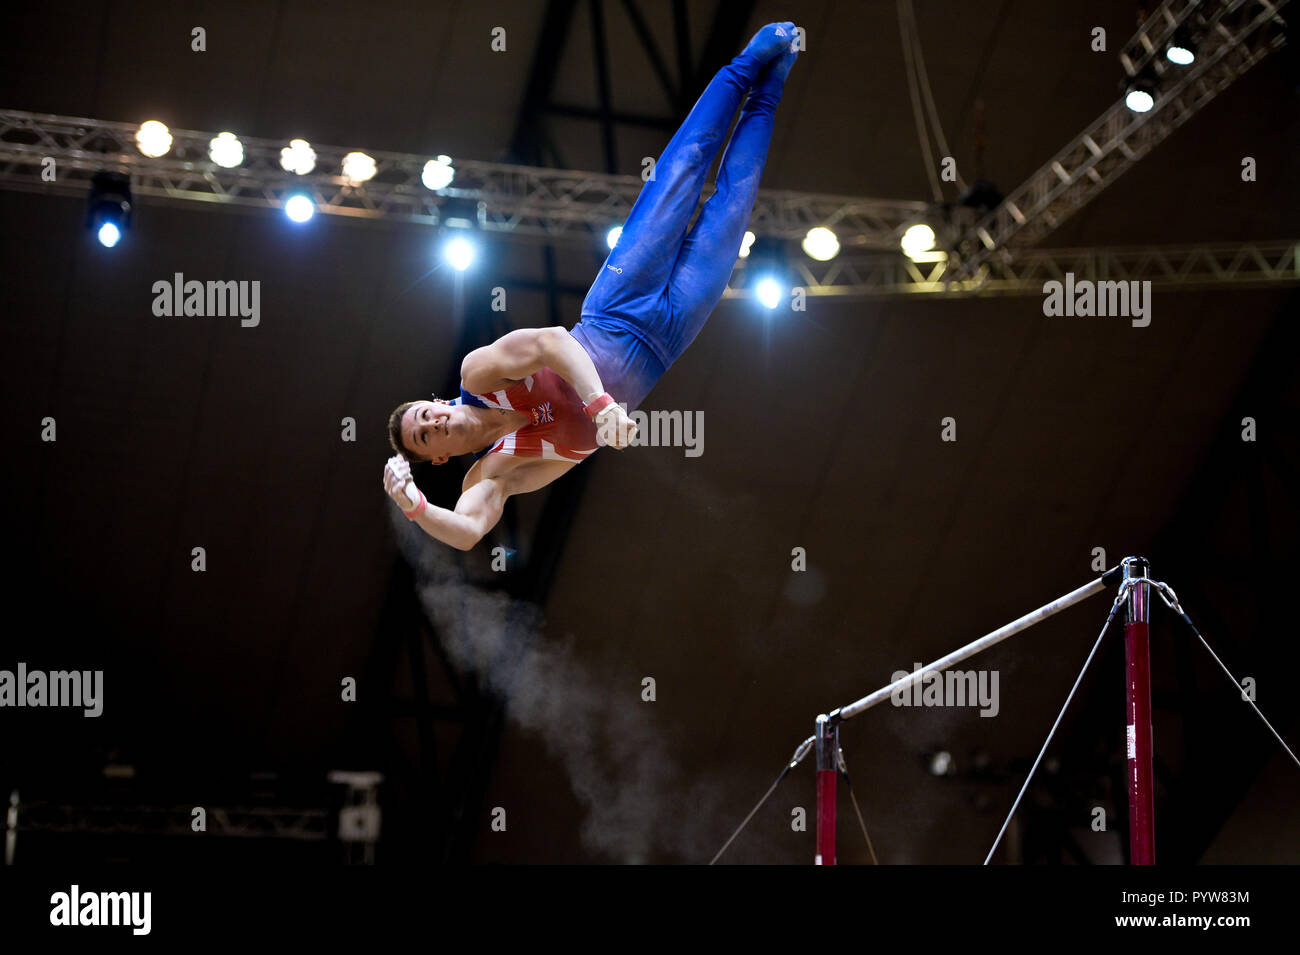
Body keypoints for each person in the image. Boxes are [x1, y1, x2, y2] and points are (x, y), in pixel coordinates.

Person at [383, 21, 800, 550]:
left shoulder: (479, 373)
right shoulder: (492, 474)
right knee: (732, 210)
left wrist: (600, 405)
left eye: (425, 414)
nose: (433, 424)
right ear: (436, 457)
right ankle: (772, 88)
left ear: (435, 400)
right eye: (425, 438)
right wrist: (415, 506)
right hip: (665, 342)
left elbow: (552, 342)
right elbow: (467, 533)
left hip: (617, 307)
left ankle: (744, 67)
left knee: (681, 174)